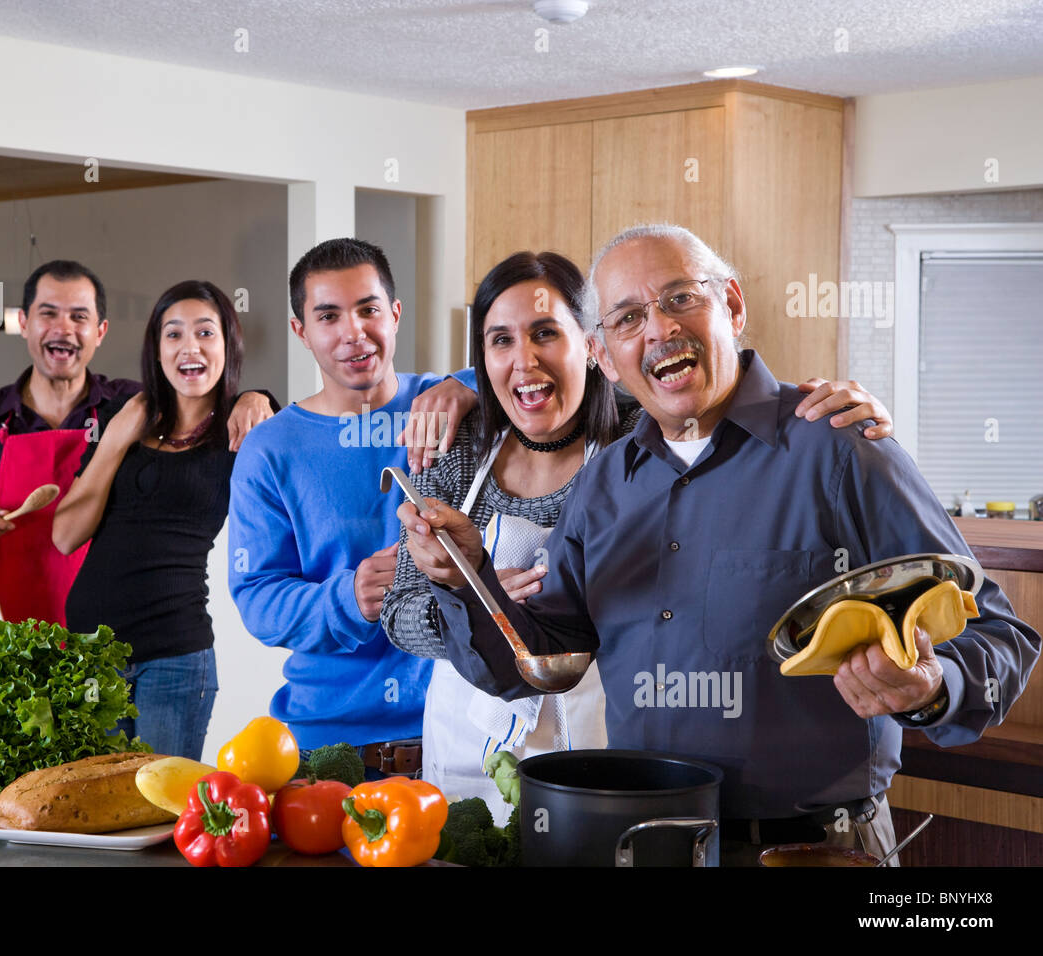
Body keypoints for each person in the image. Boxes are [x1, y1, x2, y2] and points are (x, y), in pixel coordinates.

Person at [399, 224, 1040, 864]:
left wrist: (930, 687)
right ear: (603, 355)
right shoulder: (602, 485)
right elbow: (539, 662)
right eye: (627, 318)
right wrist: (466, 575)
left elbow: (1000, 635)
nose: (658, 330)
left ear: (731, 305)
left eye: (681, 299)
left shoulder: (840, 447)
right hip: (651, 847)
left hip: (818, 850)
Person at [382, 249, 896, 824]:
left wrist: (822, 412)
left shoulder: (798, 442)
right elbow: (518, 647)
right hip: (587, 798)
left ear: (590, 349)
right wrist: (473, 588)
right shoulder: (480, 452)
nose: (658, 329)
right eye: (499, 340)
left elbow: (710, 388)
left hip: (783, 830)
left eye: (547, 333)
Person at [0, 260, 272, 630]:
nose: (64, 329)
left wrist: (255, 397)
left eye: (79, 317)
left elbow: (202, 402)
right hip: (7, 636)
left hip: (112, 636)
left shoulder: (133, 408)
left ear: (100, 331)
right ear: (24, 324)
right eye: (49, 314)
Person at [227, 237, 480, 771]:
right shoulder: (269, 450)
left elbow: (551, 378)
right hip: (328, 748)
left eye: (368, 309)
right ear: (301, 331)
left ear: (394, 314)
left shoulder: (449, 408)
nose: (353, 333)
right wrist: (348, 599)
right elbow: (257, 596)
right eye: (328, 316)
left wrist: (466, 383)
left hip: (459, 732)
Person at [53, 280, 273, 760]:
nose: (189, 347)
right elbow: (66, 535)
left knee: (159, 816)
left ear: (228, 346)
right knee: (93, 810)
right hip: (92, 653)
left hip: (175, 658)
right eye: (173, 334)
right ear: (156, 350)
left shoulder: (243, 432)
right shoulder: (122, 419)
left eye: (205, 333)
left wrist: (259, 396)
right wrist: (115, 440)